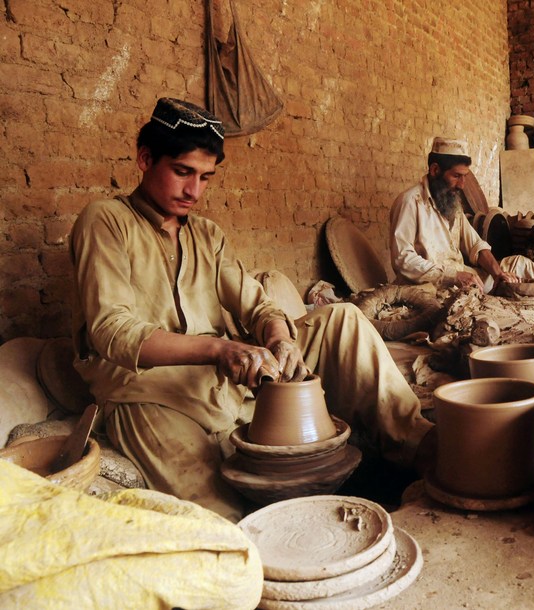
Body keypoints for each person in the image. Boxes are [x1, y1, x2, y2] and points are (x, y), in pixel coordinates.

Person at [69, 98, 433, 522]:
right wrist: (218, 351)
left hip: (223, 378)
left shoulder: (206, 234)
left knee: (343, 319)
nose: (194, 191)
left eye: (206, 178)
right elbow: (113, 331)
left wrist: (279, 338)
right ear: (145, 158)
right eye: (183, 172)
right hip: (148, 392)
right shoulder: (106, 221)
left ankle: (422, 446)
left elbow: (257, 303)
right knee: (222, 513)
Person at [390, 137, 534, 298]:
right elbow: (403, 260)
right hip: (428, 288)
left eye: (465, 177)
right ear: (435, 170)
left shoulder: (450, 202)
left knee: (517, 263)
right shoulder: (410, 202)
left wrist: (497, 272)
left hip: (462, 280)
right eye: (457, 176)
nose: (462, 185)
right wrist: (453, 275)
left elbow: (476, 245)